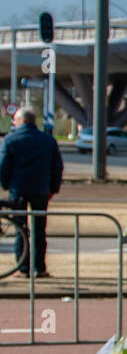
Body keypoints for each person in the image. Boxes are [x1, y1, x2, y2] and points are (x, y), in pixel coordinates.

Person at [0, 107, 64, 278]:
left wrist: (6, 185)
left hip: (18, 189)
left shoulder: (10, 139)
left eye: (14, 120)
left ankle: (22, 267)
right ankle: (39, 267)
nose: (13, 123)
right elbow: (57, 166)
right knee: (39, 230)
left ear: (21, 121)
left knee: (20, 229)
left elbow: (3, 166)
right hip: (41, 189)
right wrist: (53, 188)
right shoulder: (47, 140)